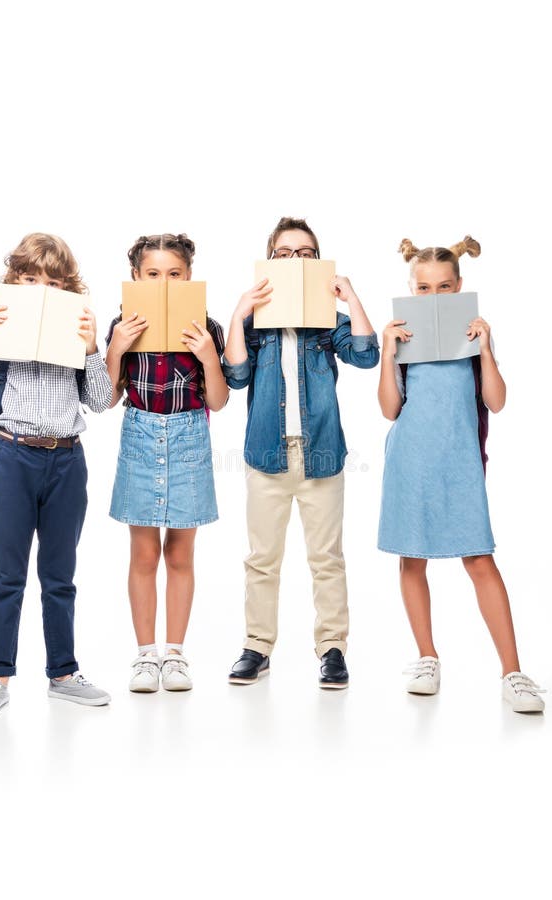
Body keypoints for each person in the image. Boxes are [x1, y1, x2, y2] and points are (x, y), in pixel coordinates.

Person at [377, 236, 545, 713]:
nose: (434, 298)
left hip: (460, 460)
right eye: (424, 289)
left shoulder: (473, 338)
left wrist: (486, 349)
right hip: (409, 459)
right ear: (412, 289)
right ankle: (427, 657)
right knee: (412, 558)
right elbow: (391, 409)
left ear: (460, 287)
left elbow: (496, 401)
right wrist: (388, 354)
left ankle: (512, 672)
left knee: (479, 560)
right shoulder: (403, 336)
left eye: (444, 288)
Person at [0, 232, 112, 718]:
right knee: (7, 572)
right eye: (30, 278)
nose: (41, 286)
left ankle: (63, 673)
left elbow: (103, 401)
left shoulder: (75, 325)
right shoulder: (3, 327)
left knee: (59, 574)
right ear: (15, 280)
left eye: (52, 280)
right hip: (13, 457)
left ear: (66, 285)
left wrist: (90, 348)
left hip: (66, 459)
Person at [224, 216, 379, 688]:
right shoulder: (256, 324)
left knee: (326, 558)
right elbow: (235, 377)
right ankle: (257, 647)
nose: (296, 260)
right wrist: (238, 314)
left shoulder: (328, 321)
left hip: (322, 455)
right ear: (270, 262)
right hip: (267, 456)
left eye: (306, 253)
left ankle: (332, 649)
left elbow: (367, 354)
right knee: (262, 558)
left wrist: (350, 298)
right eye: (285, 253)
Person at [106, 233, 227, 693]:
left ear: (188, 277)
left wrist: (207, 357)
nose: (163, 282)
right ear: (136, 277)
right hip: (139, 434)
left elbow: (217, 399)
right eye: (152, 274)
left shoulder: (206, 327)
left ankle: (175, 654)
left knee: (180, 552)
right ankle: (144, 655)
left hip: (190, 434)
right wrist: (117, 347)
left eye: (174, 274)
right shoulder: (122, 323)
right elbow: (109, 397)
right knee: (143, 552)